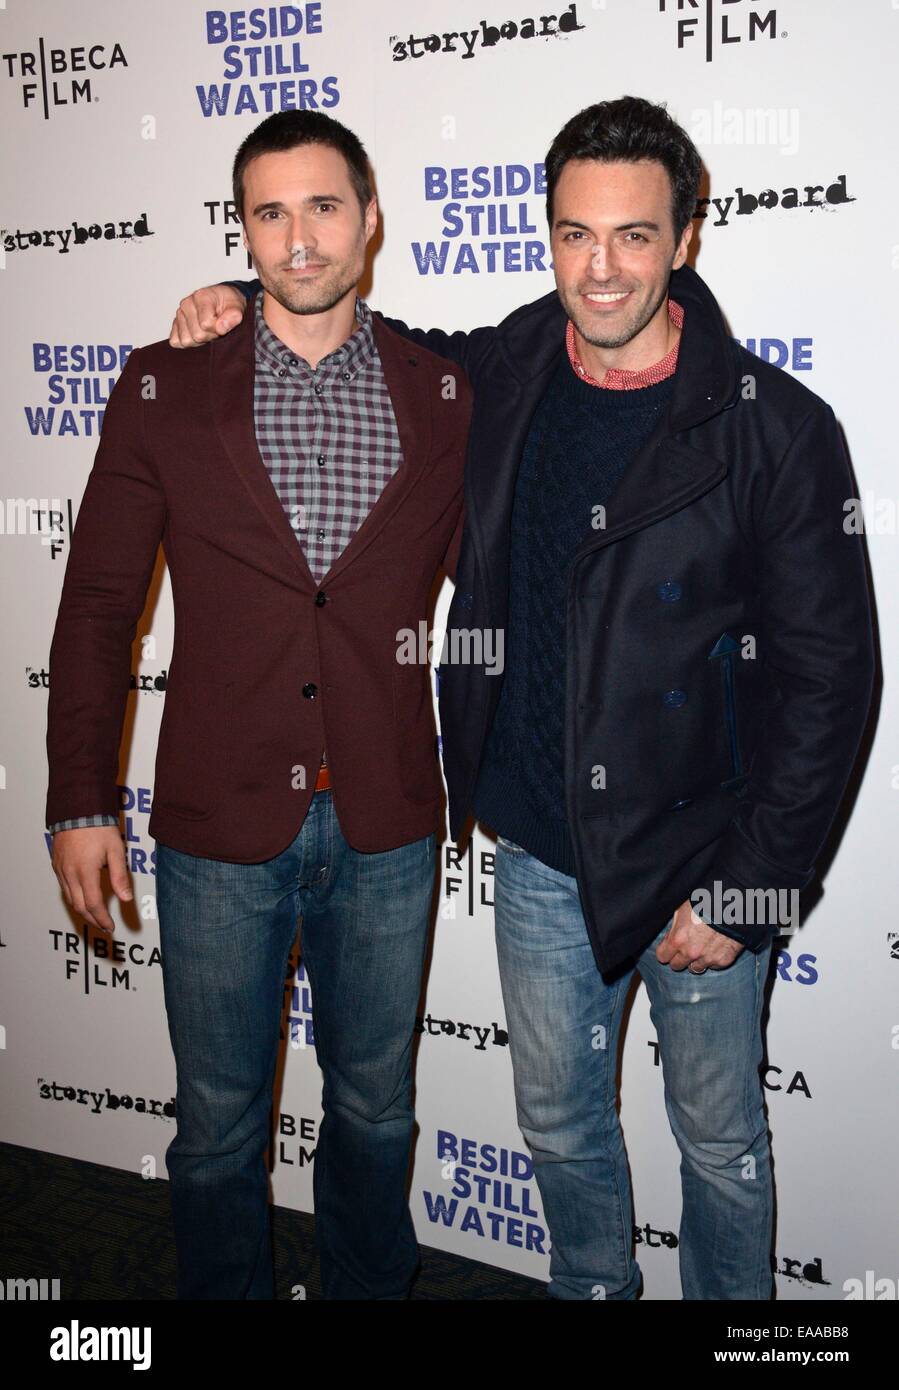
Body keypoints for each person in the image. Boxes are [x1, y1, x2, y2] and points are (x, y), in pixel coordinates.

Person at [169, 96, 875, 1300]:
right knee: (559, 1135)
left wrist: (748, 885)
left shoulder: (778, 430)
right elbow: (350, 327)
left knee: (719, 1148)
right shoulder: (498, 369)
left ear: (685, 238)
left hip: (702, 856)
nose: (599, 271)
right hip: (541, 855)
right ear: (545, 236)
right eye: (572, 236)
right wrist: (233, 296)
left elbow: (830, 682)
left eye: (633, 236)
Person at [46, 109, 472, 1300]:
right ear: (243, 231)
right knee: (220, 1126)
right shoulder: (164, 385)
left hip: (387, 821)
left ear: (370, 218)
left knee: (376, 1110)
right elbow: (95, 608)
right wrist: (77, 799)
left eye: (322, 206)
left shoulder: (444, 393)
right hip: (216, 828)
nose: (297, 238)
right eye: (269, 213)